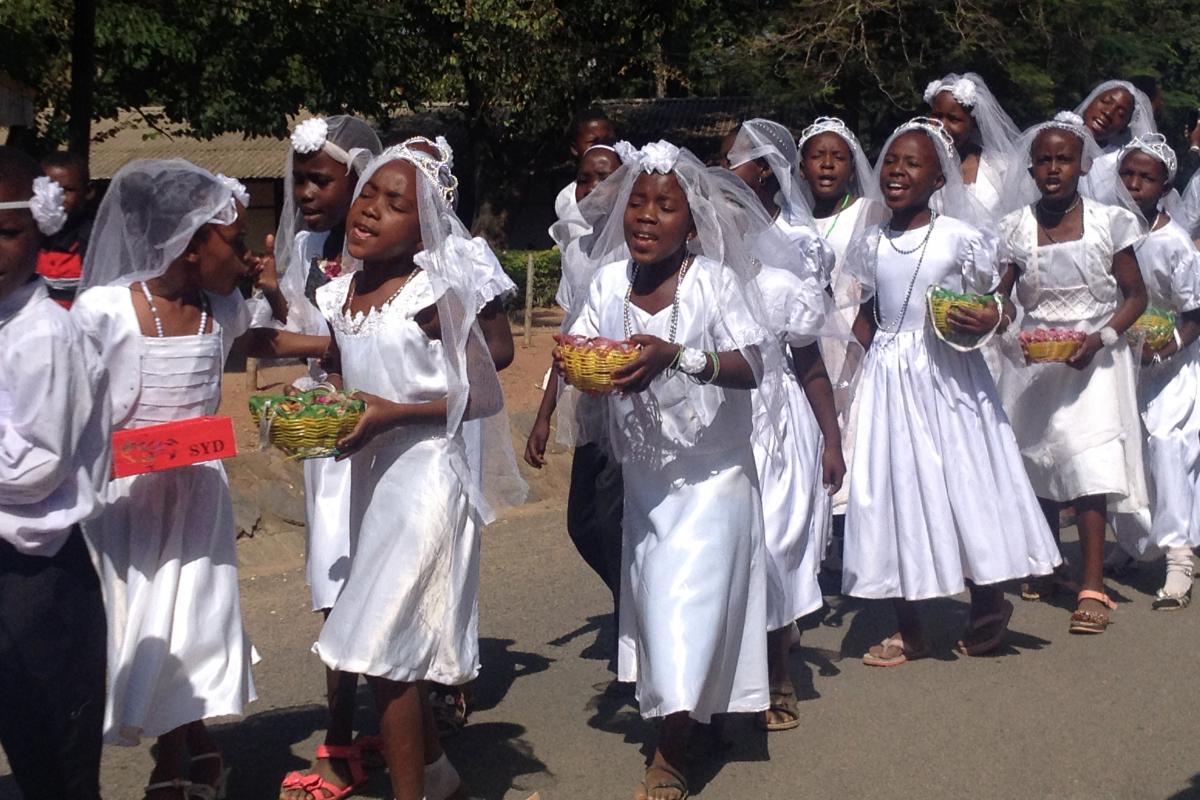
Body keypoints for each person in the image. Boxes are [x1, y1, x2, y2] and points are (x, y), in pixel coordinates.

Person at [74, 160, 328, 799]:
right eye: (235, 243)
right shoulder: (106, 311)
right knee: (142, 625)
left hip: (197, 497)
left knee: (193, 623)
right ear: (191, 246)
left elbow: (258, 343)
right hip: (128, 502)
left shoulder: (222, 307)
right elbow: (76, 404)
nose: (245, 256)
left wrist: (325, 348)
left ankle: (176, 761)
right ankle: (196, 749)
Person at [303, 136, 523, 800]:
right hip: (372, 483)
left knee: (388, 653)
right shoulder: (340, 295)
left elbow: (482, 394)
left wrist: (391, 414)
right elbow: (347, 377)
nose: (370, 210)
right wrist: (319, 407)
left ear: (424, 223)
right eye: (368, 192)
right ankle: (434, 773)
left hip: (429, 481)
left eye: (394, 203)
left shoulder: (436, 293)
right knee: (384, 652)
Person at [562, 140, 775, 800]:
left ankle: (671, 755)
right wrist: (587, 372)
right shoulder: (607, 284)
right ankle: (697, 716)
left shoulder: (713, 283)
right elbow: (588, 354)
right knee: (660, 606)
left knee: (688, 603)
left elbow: (751, 367)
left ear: (692, 221)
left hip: (714, 478)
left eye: (665, 205)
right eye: (639, 204)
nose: (647, 217)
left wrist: (680, 357)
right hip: (646, 479)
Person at [840, 118, 1060, 666]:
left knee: (963, 482)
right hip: (890, 377)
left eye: (912, 164)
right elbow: (869, 313)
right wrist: (854, 372)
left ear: (940, 179)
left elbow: (999, 304)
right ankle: (909, 626)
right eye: (891, 161)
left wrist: (985, 312)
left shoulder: (959, 239)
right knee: (894, 490)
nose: (897, 171)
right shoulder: (870, 242)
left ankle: (988, 602)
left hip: (948, 374)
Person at [246, 115, 389, 800]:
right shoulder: (305, 242)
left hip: (380, 424)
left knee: (381, 578)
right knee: (333, 583)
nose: (303, 191)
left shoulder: (384, 246)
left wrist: (290, 347)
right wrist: (275, 291)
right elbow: (302, 323)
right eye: (298, 178)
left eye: (319, 179)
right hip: (326, 429)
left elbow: (343, 341)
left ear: (359, 180)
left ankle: (377, 727)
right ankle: (343, 732)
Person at [995, 112, 1149, 633]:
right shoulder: (1015, 227)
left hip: (1095, 359)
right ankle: (1046, 559)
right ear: (1032, 169)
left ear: (1083, 165)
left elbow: (1136, 295)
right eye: (1044, 160)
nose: (1053, 168)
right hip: (1037, 360)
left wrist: (1102, 338)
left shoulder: (1109, 222)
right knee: (1037, 463)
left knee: (1089, 471)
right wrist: (997, 320)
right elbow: (1005, 297)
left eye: (1064, 159)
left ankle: (1092, 584)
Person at [721, 118, 846, 730]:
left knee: (774, 546)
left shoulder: (782, 283)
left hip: (778, 421)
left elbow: (810, 363)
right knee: (731, 549)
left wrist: (832, 437)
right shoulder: (704, 282)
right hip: (721, 421)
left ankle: (777, 673)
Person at [0, 147, 110, 800]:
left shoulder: (45, 335)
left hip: (42, 581)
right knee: (25, 738)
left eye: (7, 233)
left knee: (60, 758)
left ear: (39, 233)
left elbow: (37, 467)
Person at [525, 138, 635, 635]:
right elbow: (569, 334)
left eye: (604, 178)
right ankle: (629, 595)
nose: (592, 189)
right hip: (590, 403)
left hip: (632, 403)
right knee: (582, 523)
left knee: (614, 522)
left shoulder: (637, 248)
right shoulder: (577, 250)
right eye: (585, 178)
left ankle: (628, 631)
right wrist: (545, 414)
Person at [1108, 134, 1200, 609]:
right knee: (1127, 450)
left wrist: (1170, 346)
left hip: (1171, 365)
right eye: (1128, 174)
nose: (1135, 184)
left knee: (1167, 448)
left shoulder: (1174, 243)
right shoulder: (1110, 232)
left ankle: (1179, 554)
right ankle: (1134, 542)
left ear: (1165, 187)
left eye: (1147, 177)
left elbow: (1195, 312)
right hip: (1125, 358)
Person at [796, 117, 887, 554]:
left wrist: (859, 341)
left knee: (857, 433)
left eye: (838, 157)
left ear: (852, 167)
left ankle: (860, 543)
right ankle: (819, 541)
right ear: (800, 168)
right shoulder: (792, 222)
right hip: (809, 344)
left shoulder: (869, 213)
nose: (827, 165)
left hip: (856, 338)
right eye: (817, 156)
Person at [924, 72, 1020, 222]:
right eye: (936, 116)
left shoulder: (1002, 169)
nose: (942, 126)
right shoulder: (919, 167)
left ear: (973, 123)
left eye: (953, 119)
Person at [1073, 80, 1157, 206]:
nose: (1108, 113)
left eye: (1121, 114)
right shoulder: (1052, 138)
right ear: (1090, 101)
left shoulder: (1118, 163)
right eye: (1105, 102)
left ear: (1124, 128)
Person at [36, 150, 94, 307]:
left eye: (66, 190)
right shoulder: (24, 242)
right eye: (49, 190)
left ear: (88, 192)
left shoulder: (97, 245)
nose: (56, 198)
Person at [554, 107, 617, 223]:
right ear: (574, 148)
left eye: (608, 140)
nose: (602, 146)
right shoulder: (567, 200)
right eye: (593, 142)